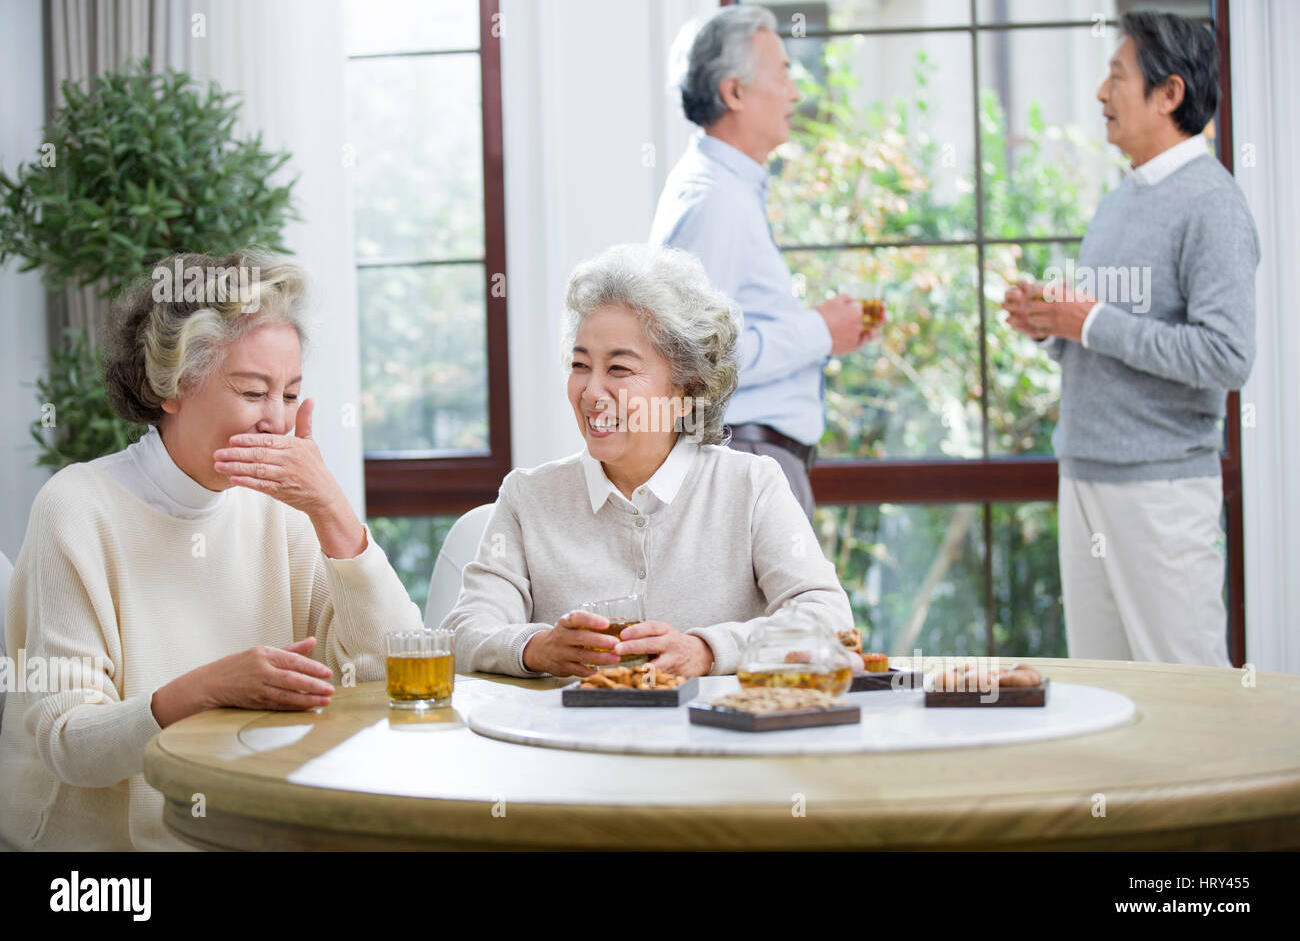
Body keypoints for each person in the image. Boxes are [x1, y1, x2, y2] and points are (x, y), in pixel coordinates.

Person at [0, 249, 422, 850]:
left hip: (251, 826)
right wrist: (203, 690)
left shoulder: (286, 507)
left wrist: (332, 511)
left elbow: (395, 670)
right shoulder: (77, 507)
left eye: (290, 393)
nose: (276, 421)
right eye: (253, 391)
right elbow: (69, 745)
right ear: (171, 388)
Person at [440, 243, 854, 678]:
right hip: (571, 743)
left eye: (619, 370)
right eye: (581, 365)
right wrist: (535, 647)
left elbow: (827, 616)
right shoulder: (529, 496)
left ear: (686, 392)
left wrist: (708, 650)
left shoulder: (750, 484)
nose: (591, 391)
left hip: (710, 741)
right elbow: (466, 630)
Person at [1002, 11, 1258, 667]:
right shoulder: (1119, 201)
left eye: (1117, 76)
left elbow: (1226, 356)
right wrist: (1049, 326)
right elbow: (1109, 339)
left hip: (1160, 492)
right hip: (1085, 473)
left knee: (1190, 695)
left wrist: (1087, 320)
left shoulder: (1213, 204)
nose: (1100, 93)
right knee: (1107, 688)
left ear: (1169, 94)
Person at [650, 4, 879, 520]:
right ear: (734, 93)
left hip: (754, 461)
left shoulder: (727, 191)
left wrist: (825, 332)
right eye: (783, 74)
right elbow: (698, 364)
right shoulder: (715, 201)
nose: (795, 92)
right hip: (746, 463)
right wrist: (820, 330)